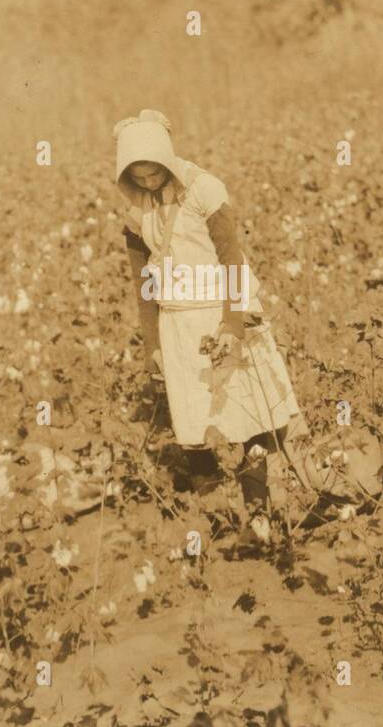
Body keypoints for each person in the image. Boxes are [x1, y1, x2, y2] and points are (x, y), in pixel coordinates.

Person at [114, 111, 299, 517]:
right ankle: (214, 515)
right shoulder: (135, 209)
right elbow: (144, 283)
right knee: (193, 420)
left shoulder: (204, 190)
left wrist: (232, 324)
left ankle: (260, 514)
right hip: (177, 322)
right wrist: (153, 346)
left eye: (154, 174)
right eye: (139, 177)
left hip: (219, 312)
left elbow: (231, 258)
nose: (148, 183)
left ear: (167, 160)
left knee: (244, 415)